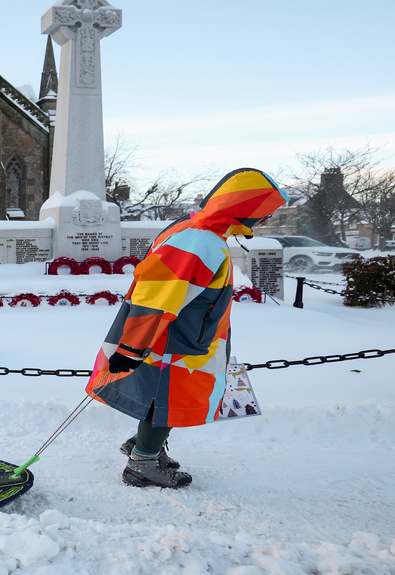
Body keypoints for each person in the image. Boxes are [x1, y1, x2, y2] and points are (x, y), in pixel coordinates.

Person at [86, 168, 288, 489]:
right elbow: (156, 294)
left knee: (165, 396)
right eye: (261, 214)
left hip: (186, 335)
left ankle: (145, 445)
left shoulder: (197, 229)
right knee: (165, 396)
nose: (262, 221)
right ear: (243, 209)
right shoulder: (200, 240)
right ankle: (143, 461)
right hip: (176, 340)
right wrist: (132, 346)